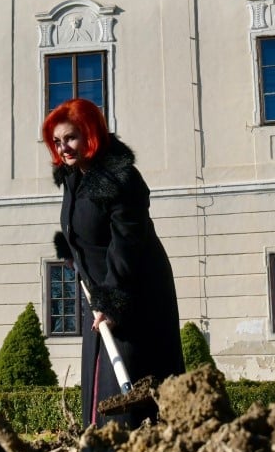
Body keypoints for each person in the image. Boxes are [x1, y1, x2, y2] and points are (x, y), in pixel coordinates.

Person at [45, 97, 185, 427]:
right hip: (101, 291)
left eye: (71, 138)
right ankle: (100, 446)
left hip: (135, 291)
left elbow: (128, 244)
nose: (64, 148)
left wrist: (111, 298)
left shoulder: (120, 179)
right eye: (57, 141)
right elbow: (83, 230)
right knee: (99, 374)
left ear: (90, 133)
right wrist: (71, 253)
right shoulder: (74, 176)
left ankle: (140, 445)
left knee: (132, 374)